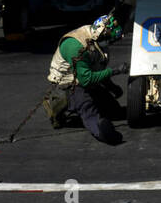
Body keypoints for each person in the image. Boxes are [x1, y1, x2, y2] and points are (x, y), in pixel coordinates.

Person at [45, 13, 127, 145]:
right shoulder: (77, 47)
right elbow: (86, 80)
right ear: (103, 33)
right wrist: (115, 70)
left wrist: (112, 87)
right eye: (112, 38)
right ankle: (101, 132)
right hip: (70, 84)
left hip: (86, 79)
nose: (112, 42)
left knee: (115, 111)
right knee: (88, 108)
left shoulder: (97, 40)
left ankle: (99, 113)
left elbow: (97, 69)